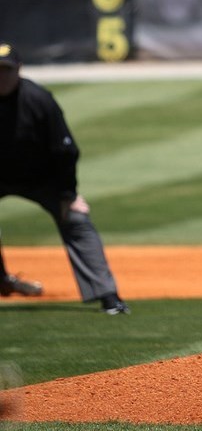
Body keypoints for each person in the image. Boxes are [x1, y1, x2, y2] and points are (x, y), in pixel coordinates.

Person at [0, 42, 129, 315]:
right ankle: (3, 281)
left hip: (42, 178)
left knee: (76, 219)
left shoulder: (38, 100)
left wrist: (68, 195)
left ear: (19, 69)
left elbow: (65, 150)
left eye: (6, 70)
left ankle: (109, 297)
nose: (1, 76)